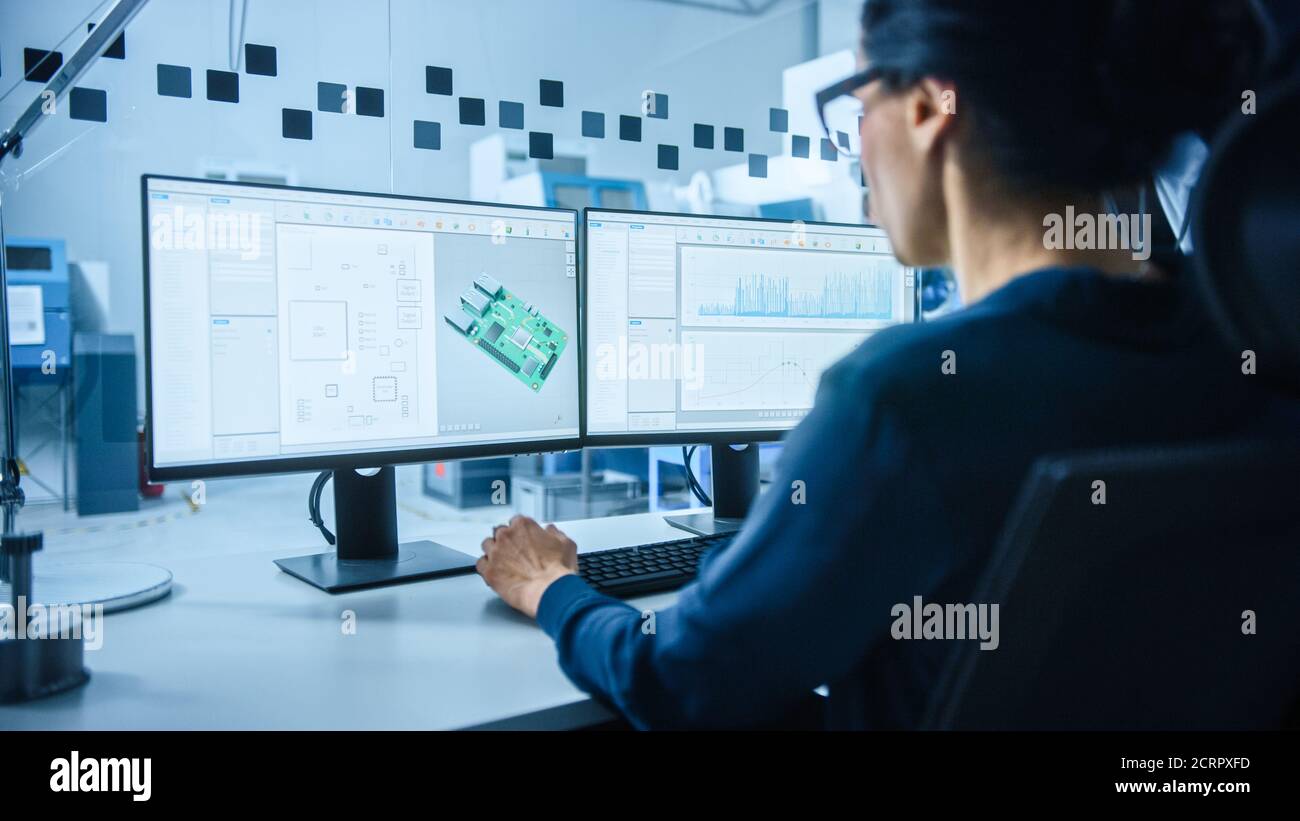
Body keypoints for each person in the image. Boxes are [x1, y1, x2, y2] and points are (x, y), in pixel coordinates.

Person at [474, 0, 1293, 729]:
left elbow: (683, 683)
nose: (855, 146)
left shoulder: (902, 402)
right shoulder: (1251, 357)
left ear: (932, 107)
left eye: (856, 103)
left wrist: (555, 589)